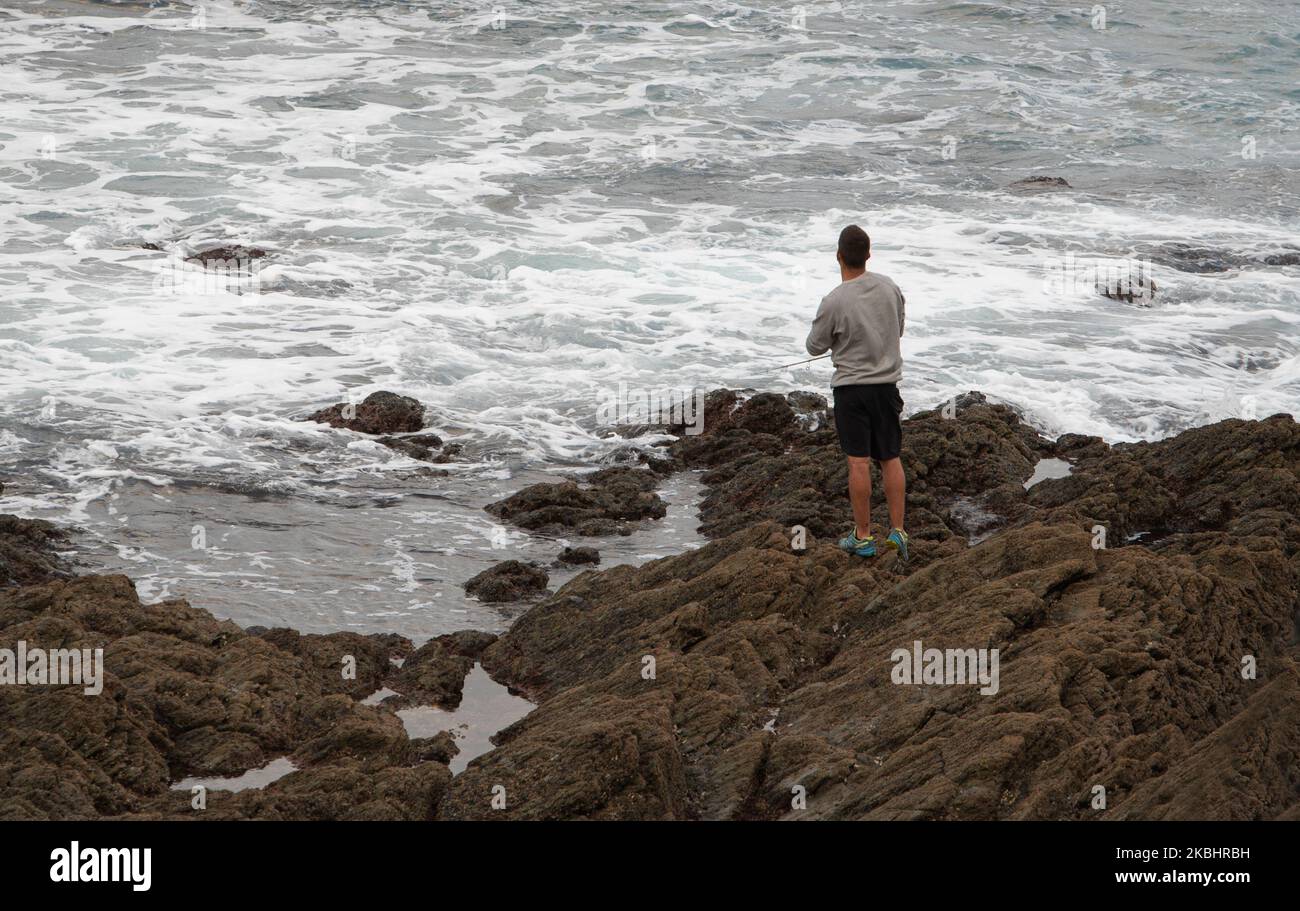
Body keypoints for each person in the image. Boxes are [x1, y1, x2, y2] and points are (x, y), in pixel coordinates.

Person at [805, 224, 909, 561]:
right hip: (886, 388)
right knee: (890, 457)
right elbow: (899, 328)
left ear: (839, 256)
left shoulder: (834, 300)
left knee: (859, 462)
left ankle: (863, 536)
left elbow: (814, 346)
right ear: (868, 254)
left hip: (852, 392)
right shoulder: (890, 288)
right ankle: (898, 532)